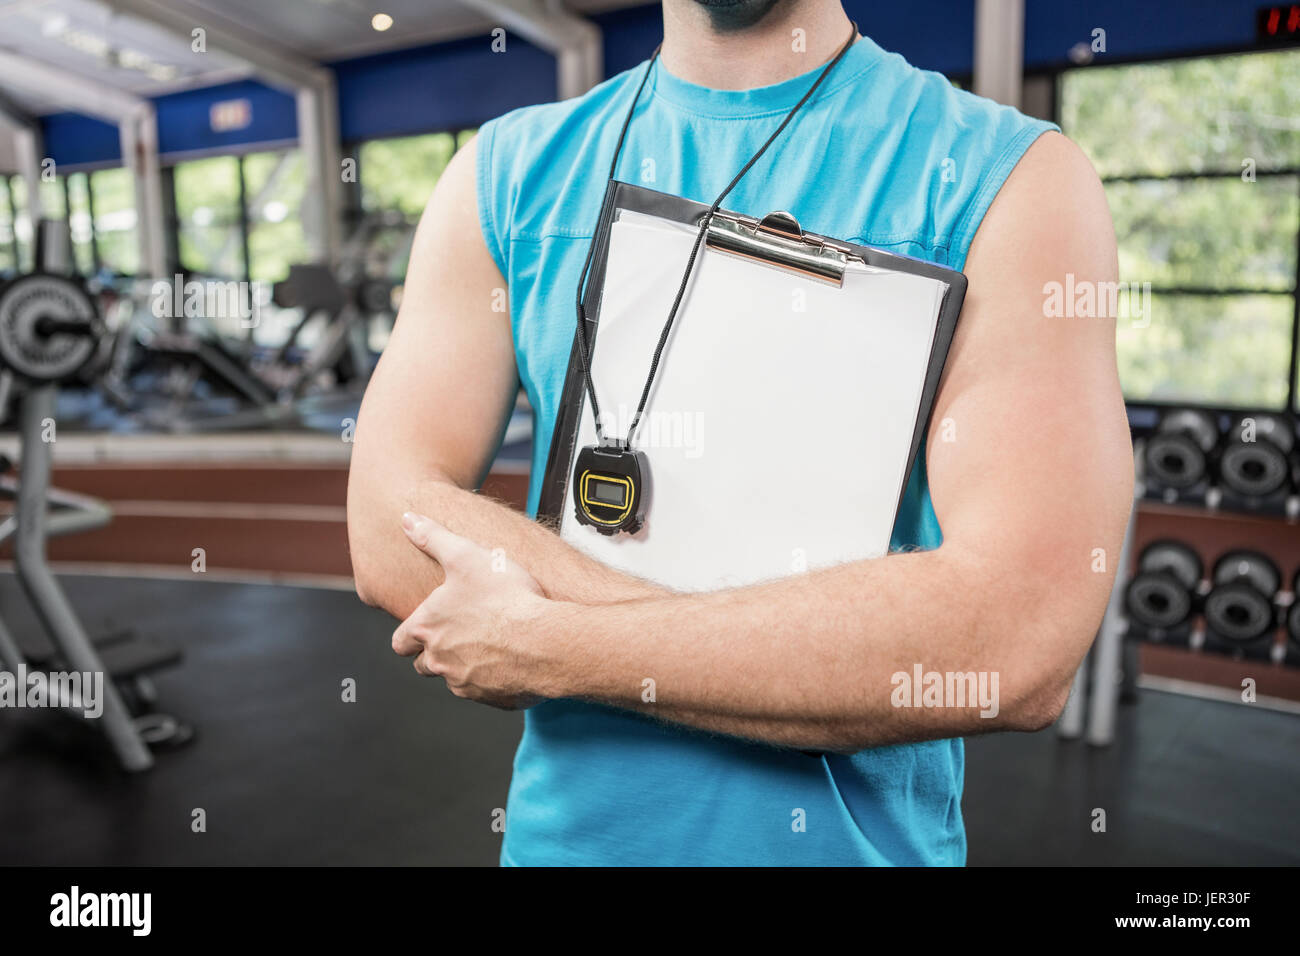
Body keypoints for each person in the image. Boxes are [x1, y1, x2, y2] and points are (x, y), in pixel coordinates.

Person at [346, 0, 1133, 865]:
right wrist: (757, 647)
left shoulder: (1012, 178)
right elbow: (389, 528)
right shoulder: (502, 175)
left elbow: (1015, 637)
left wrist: (551, 645)